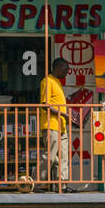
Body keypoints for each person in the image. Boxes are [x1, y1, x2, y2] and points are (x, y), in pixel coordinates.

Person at [39, 58, 71, 190]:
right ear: (58, 67)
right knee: (50, 156)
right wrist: (63, 114)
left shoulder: (57, 82)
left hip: (61, 126)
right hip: (51, 124)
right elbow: (44, 105)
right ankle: (37, 183)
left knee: (63, 157)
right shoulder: (48, 81)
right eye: (66, 69)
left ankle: (62, 185)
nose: (67, 72)